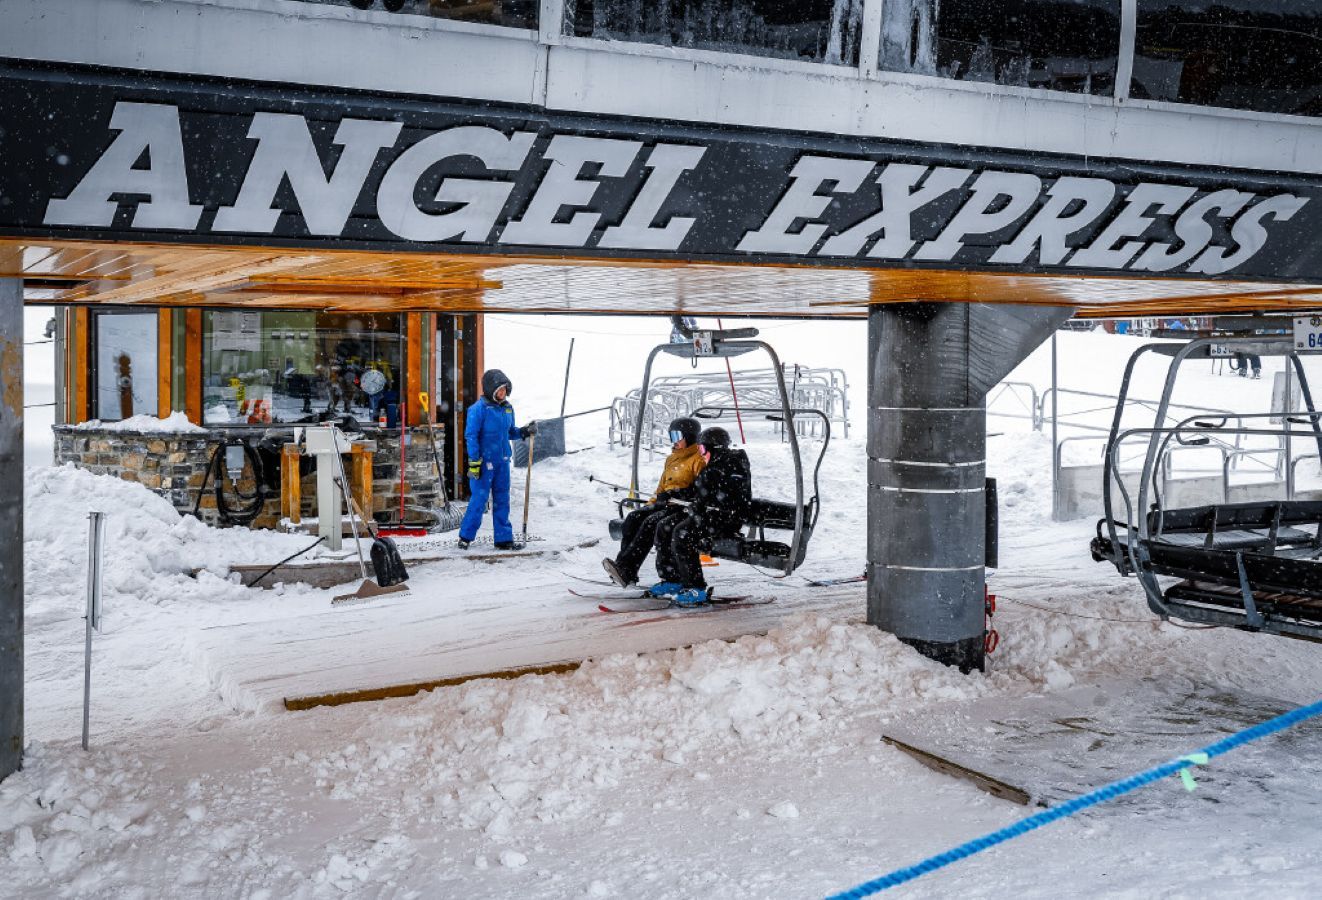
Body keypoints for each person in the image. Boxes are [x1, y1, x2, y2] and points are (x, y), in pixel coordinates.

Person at [650, 426, 753, 606]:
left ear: (715, 448)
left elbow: (726, 496)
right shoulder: (714, 466)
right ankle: (672, 579)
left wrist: (704, 504)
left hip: (725, 520)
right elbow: (698, 490)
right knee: (664, 527)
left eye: (703, 449)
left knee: (682, 533)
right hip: (708, 515)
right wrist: (673, 494)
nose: (701, 453)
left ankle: (695, 587)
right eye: (699, 449)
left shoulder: (731, 466)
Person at [601, 417, 706, 587]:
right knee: (634, 518)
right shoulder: (671, 459)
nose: (674, 441)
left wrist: (676, 494)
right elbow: (661, 488)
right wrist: (651, 503)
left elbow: (700, 490)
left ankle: (627, 569)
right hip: (665, 504)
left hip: (681, 507)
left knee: (651, 523)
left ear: (690, 437)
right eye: (671, 436)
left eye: (677, 436)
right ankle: (625, 569)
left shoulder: (698, 459)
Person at [457, 369, 537, 550]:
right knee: (479, 500)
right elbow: (471, 436)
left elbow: (510, 432)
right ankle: (465, 537)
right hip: (484, 463)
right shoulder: (478, 410)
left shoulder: (507, 408)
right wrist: (474, 462)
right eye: (499, 389)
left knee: (502, 500)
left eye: (504, 389)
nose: (502, 393)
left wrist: (524, 431)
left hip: (502, 462)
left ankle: (503, 538)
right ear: (489, 389)